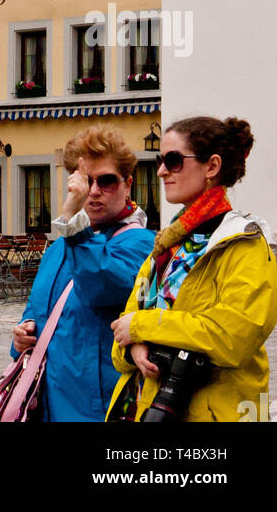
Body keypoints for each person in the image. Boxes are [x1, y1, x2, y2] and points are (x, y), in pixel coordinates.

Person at [108, 116, 277, 422]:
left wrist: (142, 327)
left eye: (172, 160)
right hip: (141, 408)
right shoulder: (166, 245)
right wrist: (133, 349)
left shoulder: (245, 245)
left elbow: (232, 338)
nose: (161, 171)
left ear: (211, 167)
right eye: (160, 160)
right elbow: (125, 327)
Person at [10, 125, 154, 421]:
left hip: (97, 405)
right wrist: (20, 339)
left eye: (107, 181)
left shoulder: (141, 242)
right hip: (50, 401)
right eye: (86, 181)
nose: (94, 191)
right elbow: (37, 311)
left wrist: (74, 223)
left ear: (128, 184)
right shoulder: (60, 247)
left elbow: (101, 286)